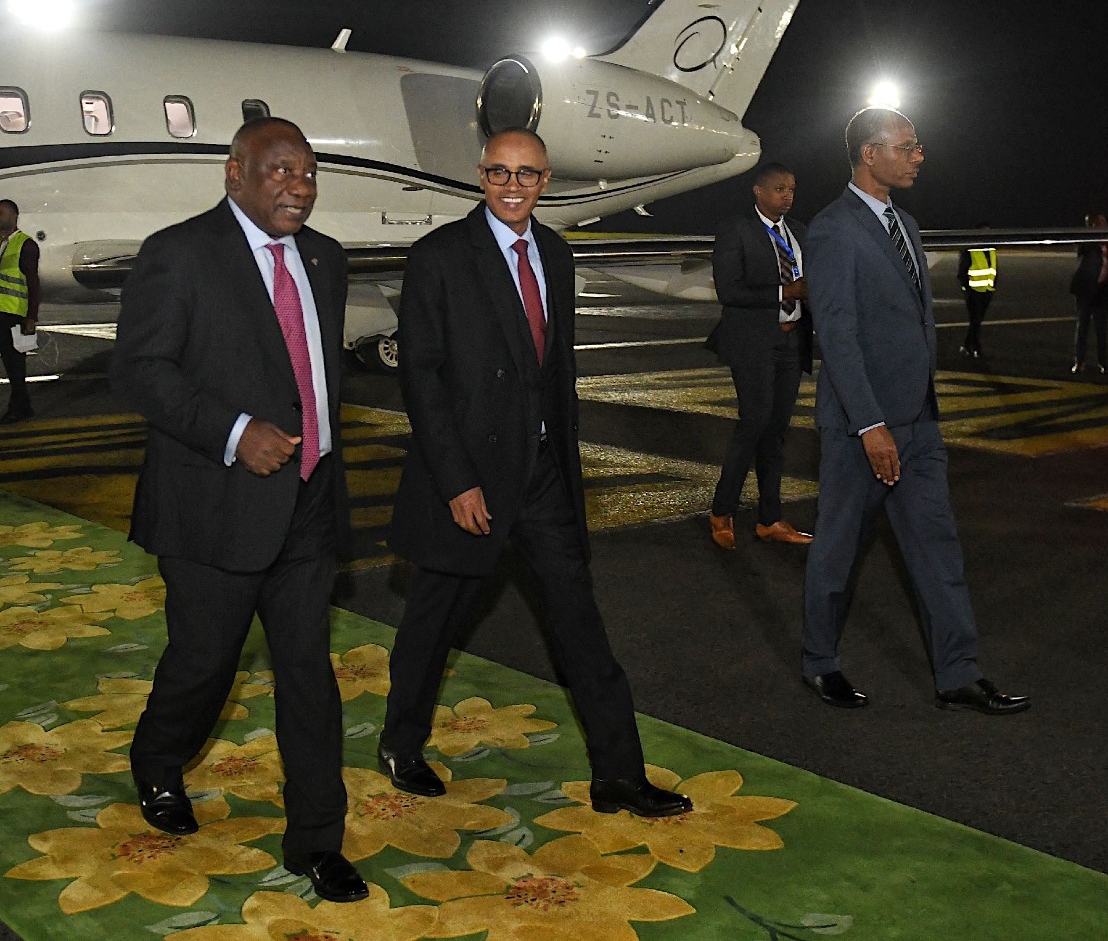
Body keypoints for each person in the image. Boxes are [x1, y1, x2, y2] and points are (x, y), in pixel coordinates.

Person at [381, 129, 690, 819]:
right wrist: (457, 481)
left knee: (581, 624)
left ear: (547, 179)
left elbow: (556, 373)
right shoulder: (440, 257)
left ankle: (619, 772)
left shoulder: (554, 252)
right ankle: (401, 742)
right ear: (480, 175)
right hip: (471, 479)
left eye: (526, 173)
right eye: (498, 171)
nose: (512, 185)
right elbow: (422, 379)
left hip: (544, 474)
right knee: (433, 623)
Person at [109, 118, 366, 902]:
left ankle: (318, 840)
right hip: (213, 509)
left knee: (308, 675)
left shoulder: (325, 259)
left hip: (308, 503)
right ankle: (159, 758)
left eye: (309, 172)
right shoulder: (179, 253)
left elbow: (311, 374)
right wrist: (232, 431)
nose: (298, 185)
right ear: (236, 175)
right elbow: (140, 370)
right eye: (281, 170)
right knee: (202, 666)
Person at [800, 107, 1028, 716]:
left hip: (919, 420)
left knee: (937, 547)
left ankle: (958, 672)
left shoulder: (906, 222)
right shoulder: (832, 229)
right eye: (908, 146)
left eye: (919, 146)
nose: (919, 155)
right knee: (839, 552)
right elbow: (839, 336)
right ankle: (821, 663)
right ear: (869, 155)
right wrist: (870, 424)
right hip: (862, 426)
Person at [705, 162, 814, 550]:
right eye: (780, 189)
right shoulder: (736, 229)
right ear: (758, 191)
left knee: (776, 432)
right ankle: (722, 511)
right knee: (753, 422)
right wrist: (786, 292)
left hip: (791, 343)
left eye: (792, 189)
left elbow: (810, 285)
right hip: (753, 342)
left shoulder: (799, 233)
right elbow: (730, 291)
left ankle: (770, 518)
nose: (788, 196)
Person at [0, 198, 41, 424]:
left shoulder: (25, 245)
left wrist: (31, 317)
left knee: (15, 365)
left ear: (14, 216)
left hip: (13, 314)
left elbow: (33, 283)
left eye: (1, 213)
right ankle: (22, 406)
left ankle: (20, 407)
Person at [1069, 216, 1108, 374]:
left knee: (1102, 330)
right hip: (1085, 290)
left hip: (1102, 291)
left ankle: (1104, 363)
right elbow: (1079, 246)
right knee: (1083, 328)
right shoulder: (1086, 242)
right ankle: (1079, 362)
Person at [957, 228, 997, 357]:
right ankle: (976, 347)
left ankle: (967, 345)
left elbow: (994, 269)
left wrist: (992, 286)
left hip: (987, 291)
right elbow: (962, 272)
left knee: (977, 321)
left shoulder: (991, 249)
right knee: (975, 320)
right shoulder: (969, 250)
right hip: (974, 292)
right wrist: (967, 289)